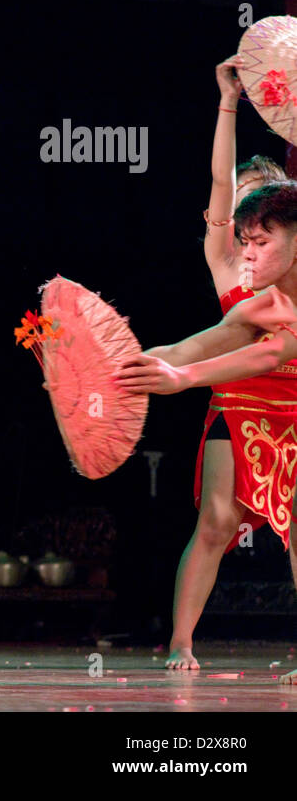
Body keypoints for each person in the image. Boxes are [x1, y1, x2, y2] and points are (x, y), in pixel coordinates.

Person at [118, 182, 297, 685]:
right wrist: (101, 369)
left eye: (262, 242)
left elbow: (270, 354)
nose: (248, 254)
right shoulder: (263, 307)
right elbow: (186, 349)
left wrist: (184, 380)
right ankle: (181, 639)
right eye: (244, 241)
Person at [154, 56, 288, 671]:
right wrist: (228, 101)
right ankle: (181, 639)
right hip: (234, 395)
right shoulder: (228, 256)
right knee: (215, 521)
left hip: (292, 391)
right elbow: (216, 180)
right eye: (244, 201)